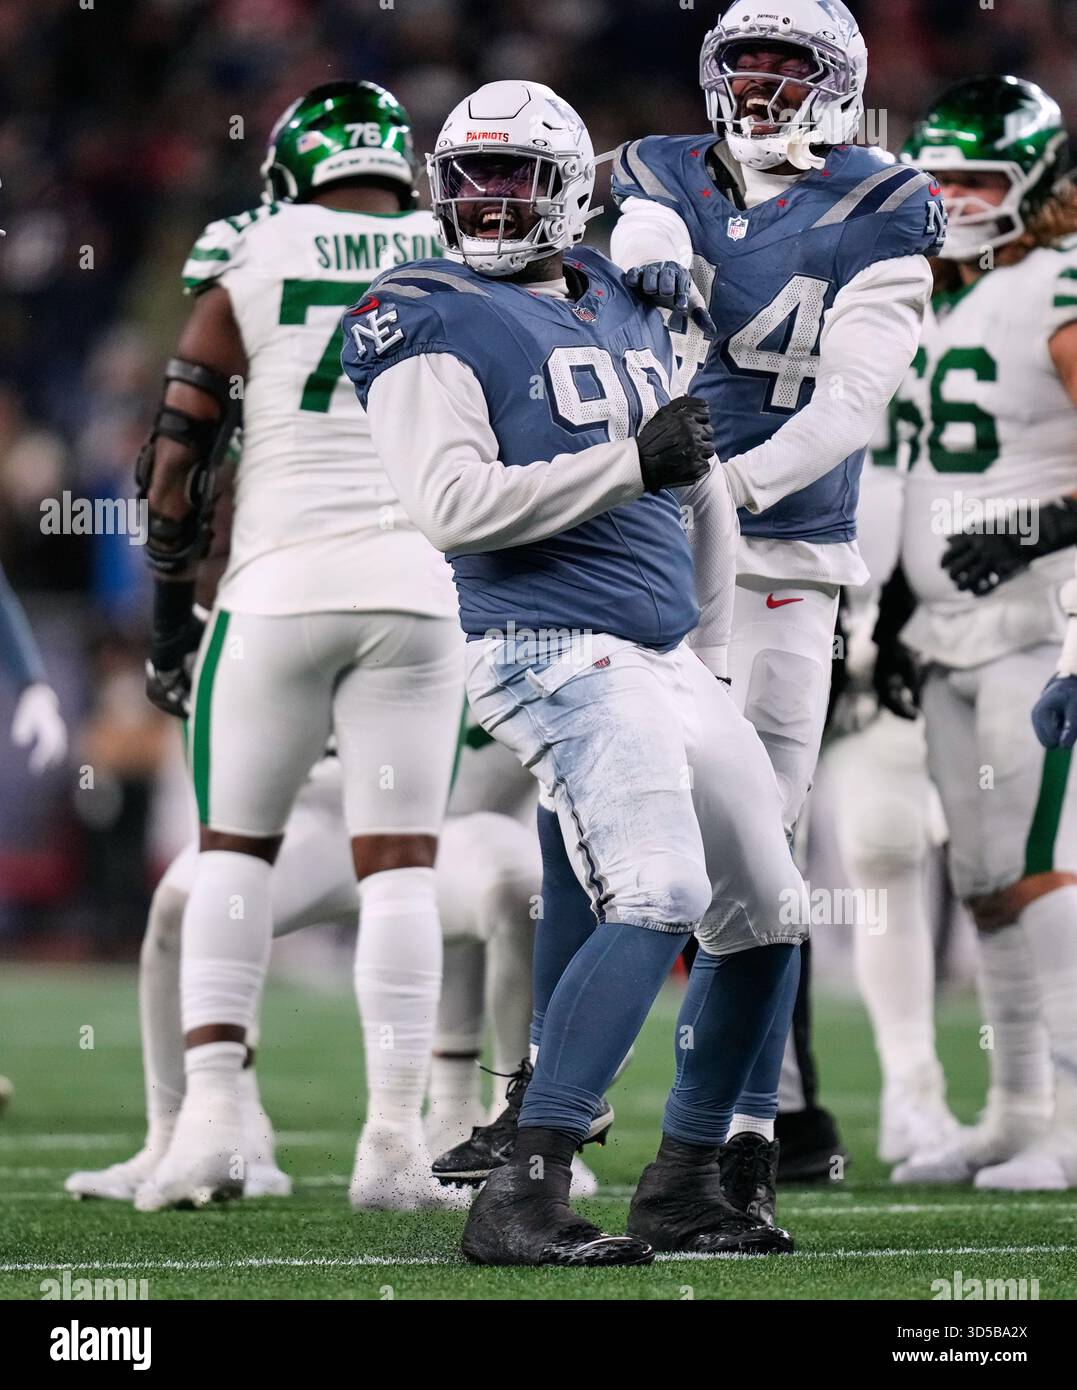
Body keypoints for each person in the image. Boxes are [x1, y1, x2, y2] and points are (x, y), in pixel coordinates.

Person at [344, 78, 808, 1266]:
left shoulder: (614, 289)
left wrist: (705, 643)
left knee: (768, 910)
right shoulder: (419, 308)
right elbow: (453, 507)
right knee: (655, 892)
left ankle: (689, 1180)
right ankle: (525, 1188)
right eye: (471, 176)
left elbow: (693, 475)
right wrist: (621, 467)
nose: (490, 202)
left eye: (516, 177)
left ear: (569, 190)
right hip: (546, 643)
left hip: (661, 652)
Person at [132, 80, 464, 1211]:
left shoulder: (251, 247)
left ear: (293, 167)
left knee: (233, 850)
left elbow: (177, 463)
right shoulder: (458, 243)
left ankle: (215, 1121)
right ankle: (394, 1146)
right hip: (423, 592)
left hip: (276, 587)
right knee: (403, 870)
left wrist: (173, 617)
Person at [876, 76, 1077, 1191]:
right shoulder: (933, 293)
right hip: (950, 631)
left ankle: (1073, 1124)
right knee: (988, 879)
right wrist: (902, 598)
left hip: (1043, 621)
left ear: (1036, 183)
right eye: (940, 177)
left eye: (977, 180)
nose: (953, 198)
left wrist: (1047, 520)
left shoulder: (1059, 279)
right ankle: (1014, 1109)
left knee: (1049, 869)